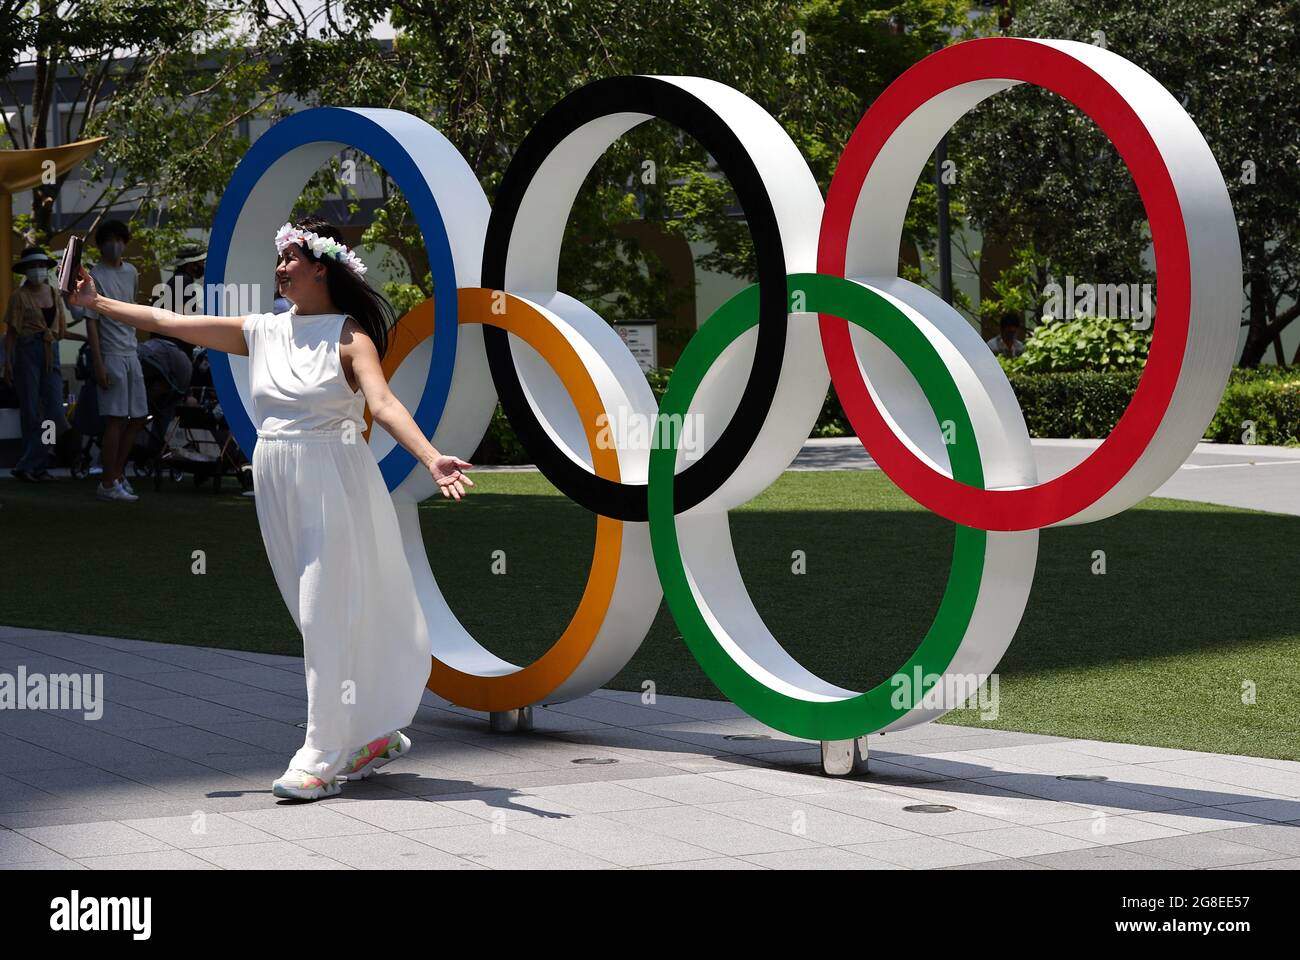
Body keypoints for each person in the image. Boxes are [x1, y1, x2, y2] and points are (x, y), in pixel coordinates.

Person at [68, 215, 475, 802]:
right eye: (279, 258)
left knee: (320, 613)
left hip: (335, 476)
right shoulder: (259, 329)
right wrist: (97, 302)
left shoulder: (349, 336)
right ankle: (370, 733)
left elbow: (383, 404)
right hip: (278, 477)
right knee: (318, 613)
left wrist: (432, 458)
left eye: (291, 258)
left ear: (322, 268)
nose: (280, 267)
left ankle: (321, 754)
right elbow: (167, 321)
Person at [2, 246, 82, 481]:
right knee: (30, 411)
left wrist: (86, 337)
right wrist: (7, 362)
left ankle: (31, 462)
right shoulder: (19, 296)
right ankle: (37, 465)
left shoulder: (54, 293)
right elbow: (12, 332)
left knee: (55, 412)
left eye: (39, 265)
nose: (36, 270)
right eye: (31, 266)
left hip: (51, 350)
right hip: (27, 351)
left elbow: (59, 331)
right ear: (25, 270)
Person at [83, 219, 146, 502]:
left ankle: (117, 475)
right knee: (116, 420)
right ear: (100, 245)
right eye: (109, 240)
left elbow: (131, 310)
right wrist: (98, 364)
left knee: (138, 417)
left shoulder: (131, 272)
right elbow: (92, 323)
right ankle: (107, 483)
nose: (115, 245)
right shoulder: (93, 276)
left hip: (131, 352)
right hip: (110, 354)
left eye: (119, 239)